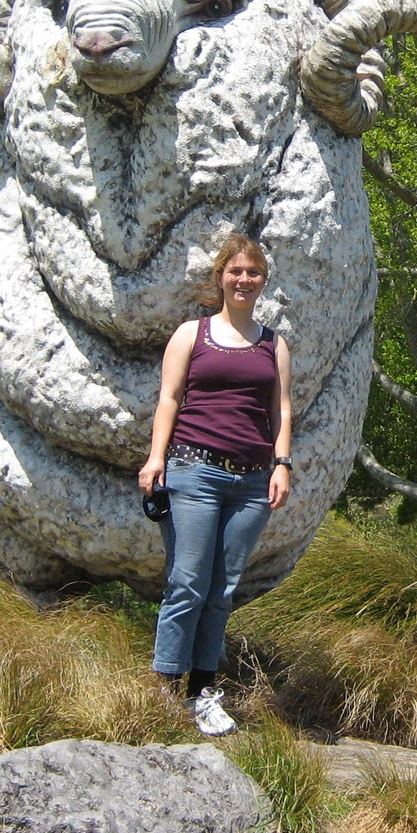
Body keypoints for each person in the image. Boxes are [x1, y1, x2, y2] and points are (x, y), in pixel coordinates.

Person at [138, 235, 293, 735]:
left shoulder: (274, 343)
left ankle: (202, 694)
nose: (244, 280)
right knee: (187, 582)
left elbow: (281, 409)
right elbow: (169, 397)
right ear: (221, 277)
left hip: (251, 481)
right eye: (236, 271)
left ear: (263, 280)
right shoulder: (193, 334)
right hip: (194, 470)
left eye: (253, 272)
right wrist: (156, 457)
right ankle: (164, 690)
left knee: (222, 589)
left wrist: (282, 464)